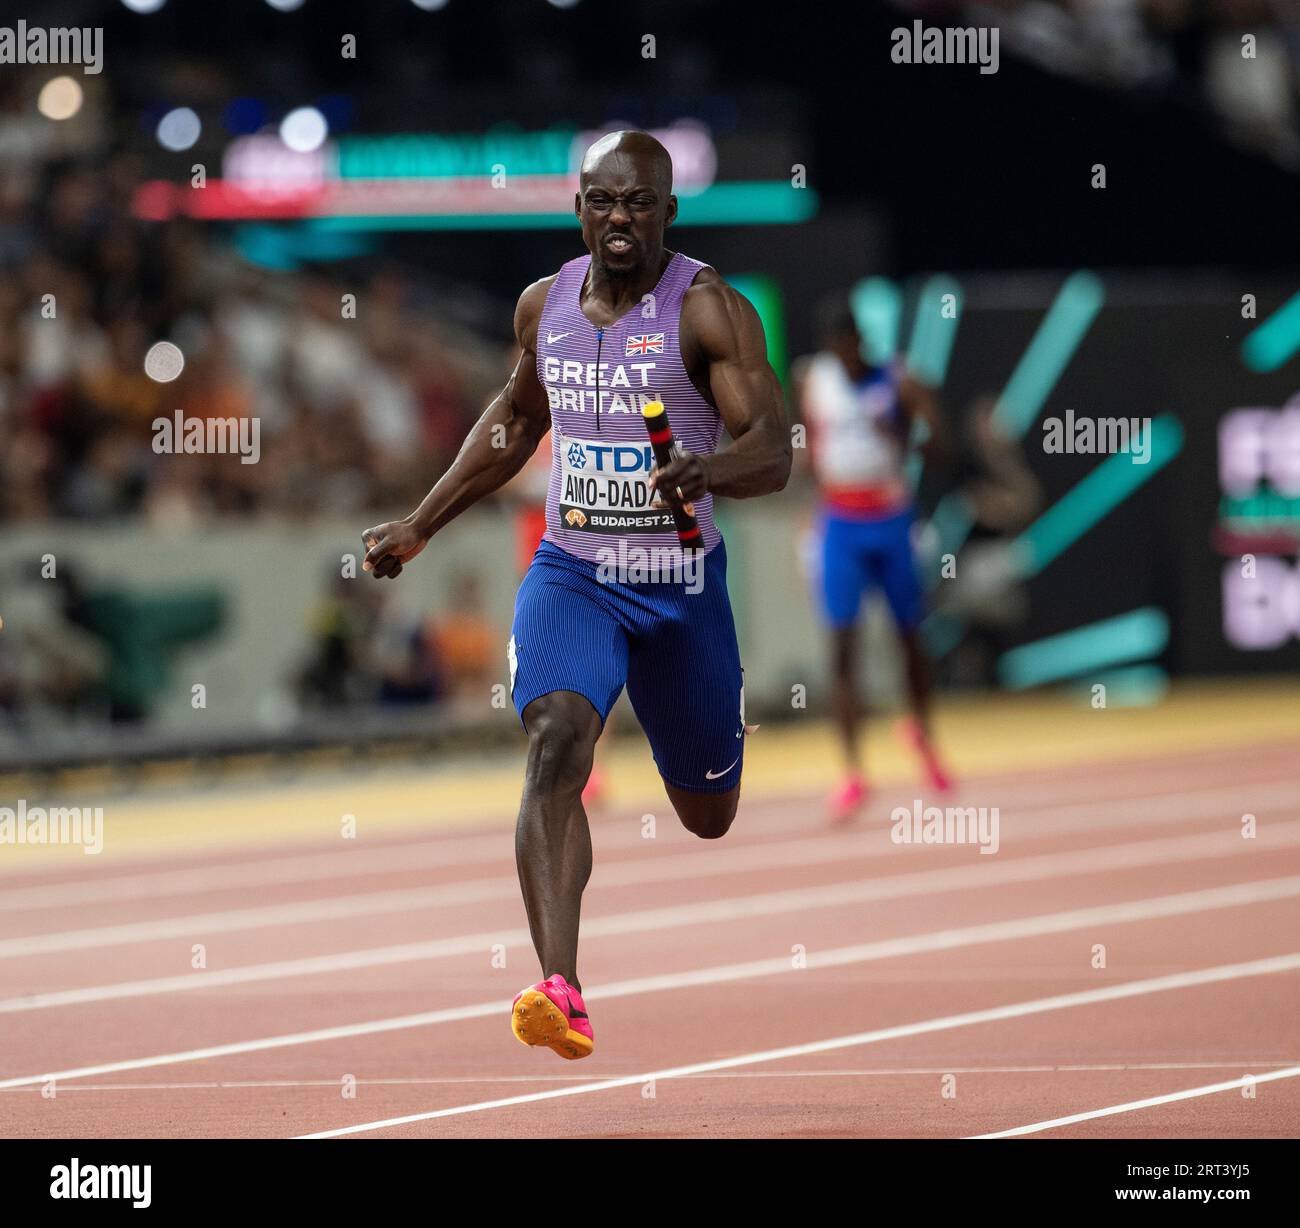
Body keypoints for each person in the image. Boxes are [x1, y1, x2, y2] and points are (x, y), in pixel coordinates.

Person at [360, 131, 790, 1059]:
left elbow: (776, 450)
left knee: (707, 815)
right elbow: (515, 422)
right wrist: (421, 523)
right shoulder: (544, 306)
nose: (619, 219)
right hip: (575, 574)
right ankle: (561, 986)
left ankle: (708, 740)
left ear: (669, 211)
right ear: (579, 209)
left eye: (638, 202)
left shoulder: (709, 310)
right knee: (557, 738)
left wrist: (708, 466)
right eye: (601, 202)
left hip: (680, 587)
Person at [797, 300, 952, 822]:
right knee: (842, 643)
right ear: (828, 348)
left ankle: (922, 732)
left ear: (862, 343)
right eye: (835, 350)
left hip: (890, 517)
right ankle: (852, 770)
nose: (844, 358)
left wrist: (906, 430)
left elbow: (940, 444)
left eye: (851, 348)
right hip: (839, 521)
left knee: (910, 634)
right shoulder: (812, 379)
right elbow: (802, 446)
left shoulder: (898, 377)